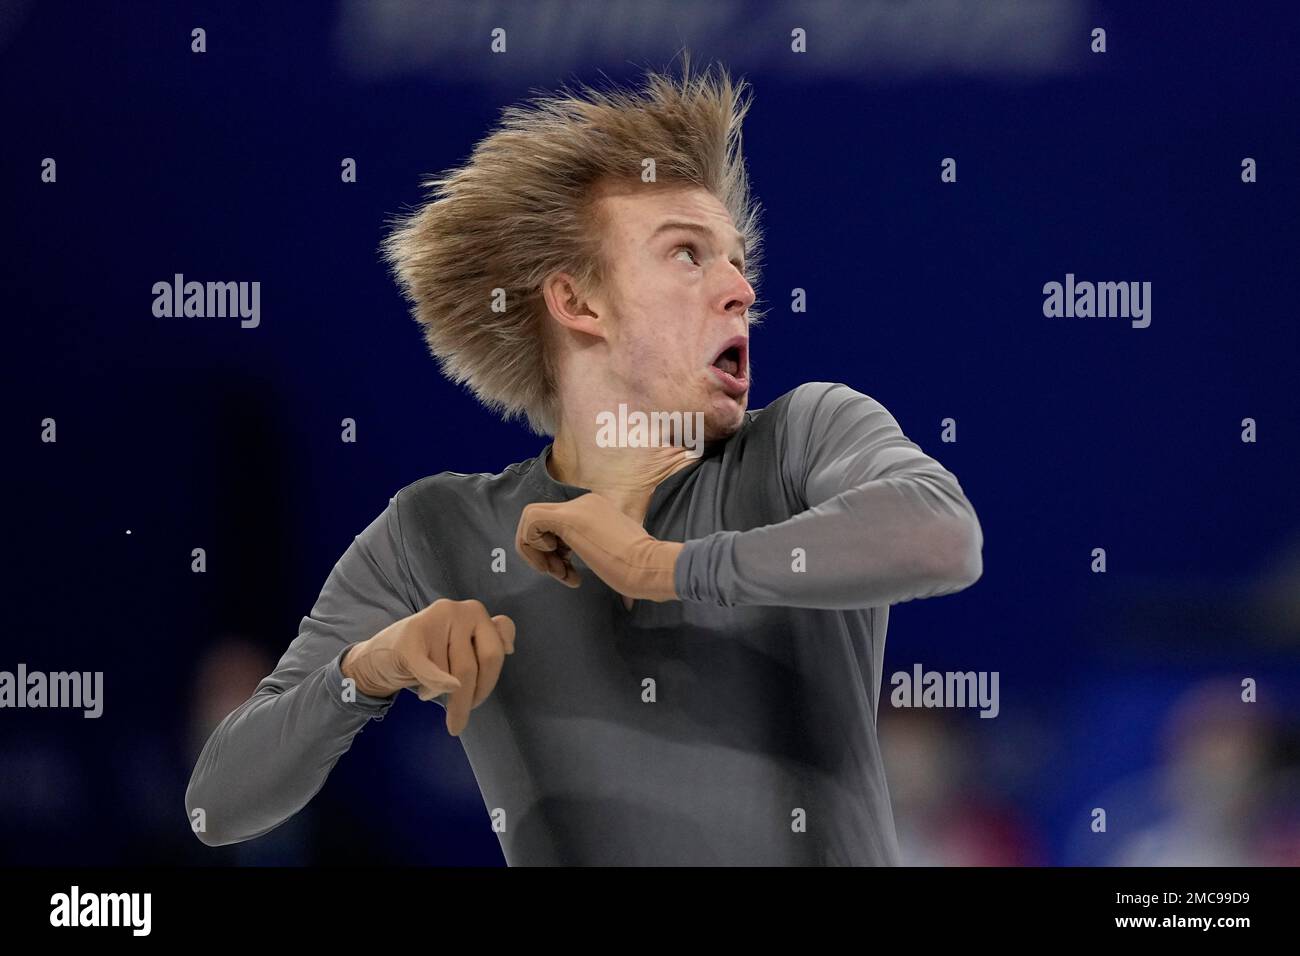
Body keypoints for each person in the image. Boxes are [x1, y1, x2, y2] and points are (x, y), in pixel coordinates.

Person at [184, 56, 984, 865]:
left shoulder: (803, 440)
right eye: (686, 254)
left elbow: (942, 538)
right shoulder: (437, 530)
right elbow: (217, 806)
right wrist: (368, 670)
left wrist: (662, 565)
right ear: (577, 302)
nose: (740, 288)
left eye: (738, 260)